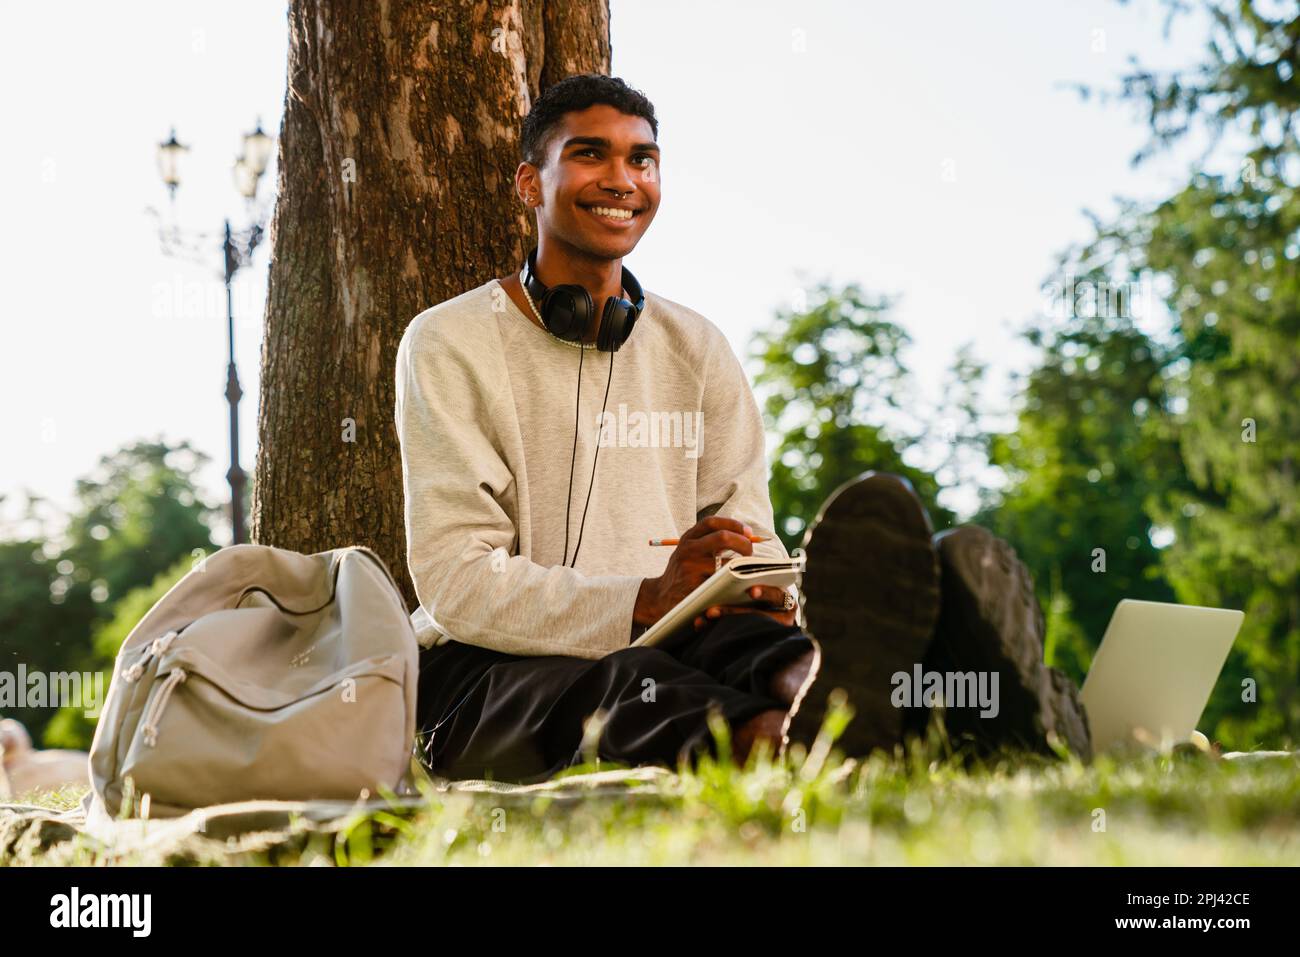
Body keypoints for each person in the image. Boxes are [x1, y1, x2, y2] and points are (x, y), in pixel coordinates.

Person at [394, 74, 1089, 784]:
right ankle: (821, 748)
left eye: (642, 159)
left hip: (682, 631)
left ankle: (875, 699)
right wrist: (642, 596)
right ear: (529, 184)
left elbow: (749, 535)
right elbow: (457, 583)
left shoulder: (696, 345)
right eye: (590, 155)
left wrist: (759, 586)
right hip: (483, 672)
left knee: (755, 639)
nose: (622, 178)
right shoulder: (447, 342)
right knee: (628, 684)